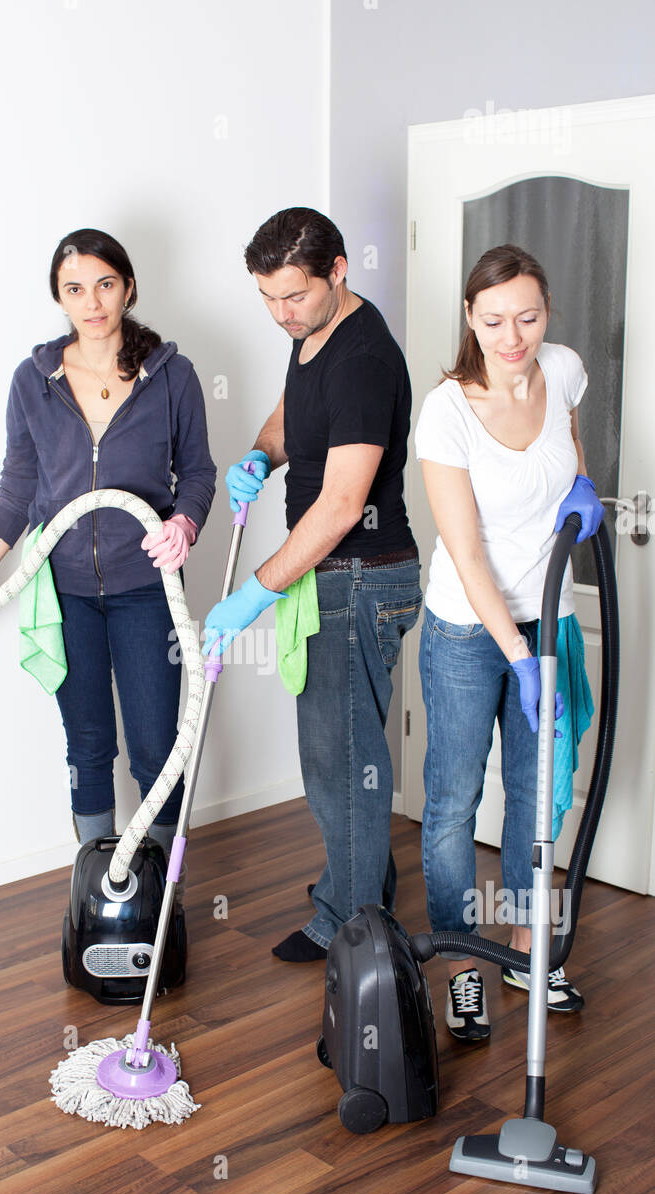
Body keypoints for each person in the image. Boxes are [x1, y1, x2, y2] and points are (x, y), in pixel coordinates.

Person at [0, 229, 216, 856]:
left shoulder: (171, 375)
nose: (92, 302)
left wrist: (184, 523)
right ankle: (95, 887)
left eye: (105, 284)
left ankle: (156, 897)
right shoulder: (33, 381)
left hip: (146, 587)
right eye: (75, 289)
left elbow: (197, 472)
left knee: (156, 747)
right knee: (88, 744)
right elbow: (17, 489)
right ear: (59, 298)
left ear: (129, 287)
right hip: (63, 592)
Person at [203, 207, 421, 961]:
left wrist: (256, 591)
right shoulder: (313, 335)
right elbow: (291, 418)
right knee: (339, 756)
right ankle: (357, 894)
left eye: (292, 295)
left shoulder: (363, 358)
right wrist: (262, 456)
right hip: (335, 578)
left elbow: (341, 505)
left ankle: (354, 936)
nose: (279, 314)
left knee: (342, 760)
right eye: (266, 297)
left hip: (359, 577)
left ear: (338, 271)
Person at [414, 243, 604, 1042]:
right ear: (469, 317)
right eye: (493, 320)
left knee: (535, 798)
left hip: (548, 617)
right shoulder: (447, 410)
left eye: (526, 316)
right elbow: (466, 552)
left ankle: (529, 948)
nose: (512, 335)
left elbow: (568, 446)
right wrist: (519, 657)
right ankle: (462, 965)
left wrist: (584, 484)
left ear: (547, 310)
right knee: (455, 803)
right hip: (466, 629)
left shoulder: (561, 370)